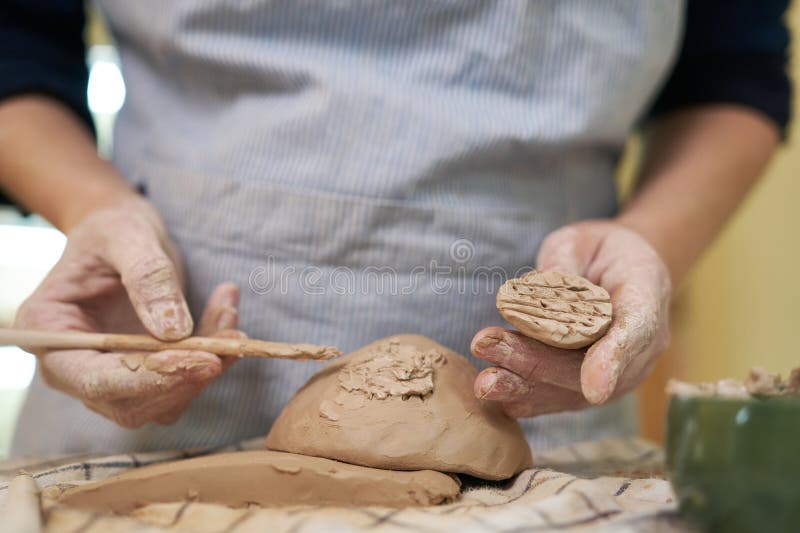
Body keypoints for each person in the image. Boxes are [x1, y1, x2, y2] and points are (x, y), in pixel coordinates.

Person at [0, 1, 791, 457]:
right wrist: (91, 207)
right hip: (149, 384)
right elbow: (17, 44)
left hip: (537, 416)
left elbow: (732, 70)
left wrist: (651, 242)